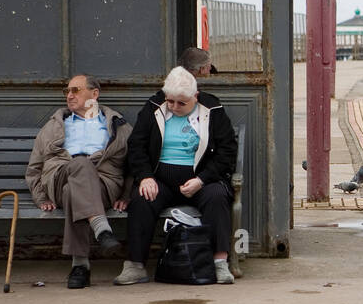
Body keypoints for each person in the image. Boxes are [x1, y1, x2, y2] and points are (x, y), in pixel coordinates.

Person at [115, 67, 238, 285]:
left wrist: (201, 180)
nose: (174, 107)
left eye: (181, 103)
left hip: (201, 179)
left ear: (195, 97)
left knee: (217, 196)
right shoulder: (154, 106)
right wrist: (145, 176)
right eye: (170, 101)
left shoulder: (213, 108)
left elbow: (227, 152)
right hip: (160, 179)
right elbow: (137, 145)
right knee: (143, 199)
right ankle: (135, 265)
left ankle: (219, 263)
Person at [25, 74, 132, 289]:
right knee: (81, 164)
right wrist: (41, 197)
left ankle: (80, 266)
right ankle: (101, 228)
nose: (69, 95)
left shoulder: (118, 126)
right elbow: (34, 169)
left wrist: (125, 195)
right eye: (67, 91)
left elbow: (133, 166)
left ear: (94, 94)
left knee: (71, 191)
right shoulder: (54, 126)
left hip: (103, 183)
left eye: (76, 90)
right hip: (60, 174)